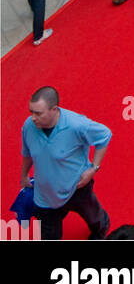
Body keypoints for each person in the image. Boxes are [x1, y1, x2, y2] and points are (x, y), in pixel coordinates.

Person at [20, 87, 112, 239]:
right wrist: (24, 175)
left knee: (95, 219)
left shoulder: (77, 125)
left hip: (76, 188)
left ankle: (101, 228)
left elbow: (104, 135)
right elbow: (28, 153)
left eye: (38, 113)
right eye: (31, 112)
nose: (33, 118)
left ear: (54, 109)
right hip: (45, 194)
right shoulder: (29, 126)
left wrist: (93, 169)